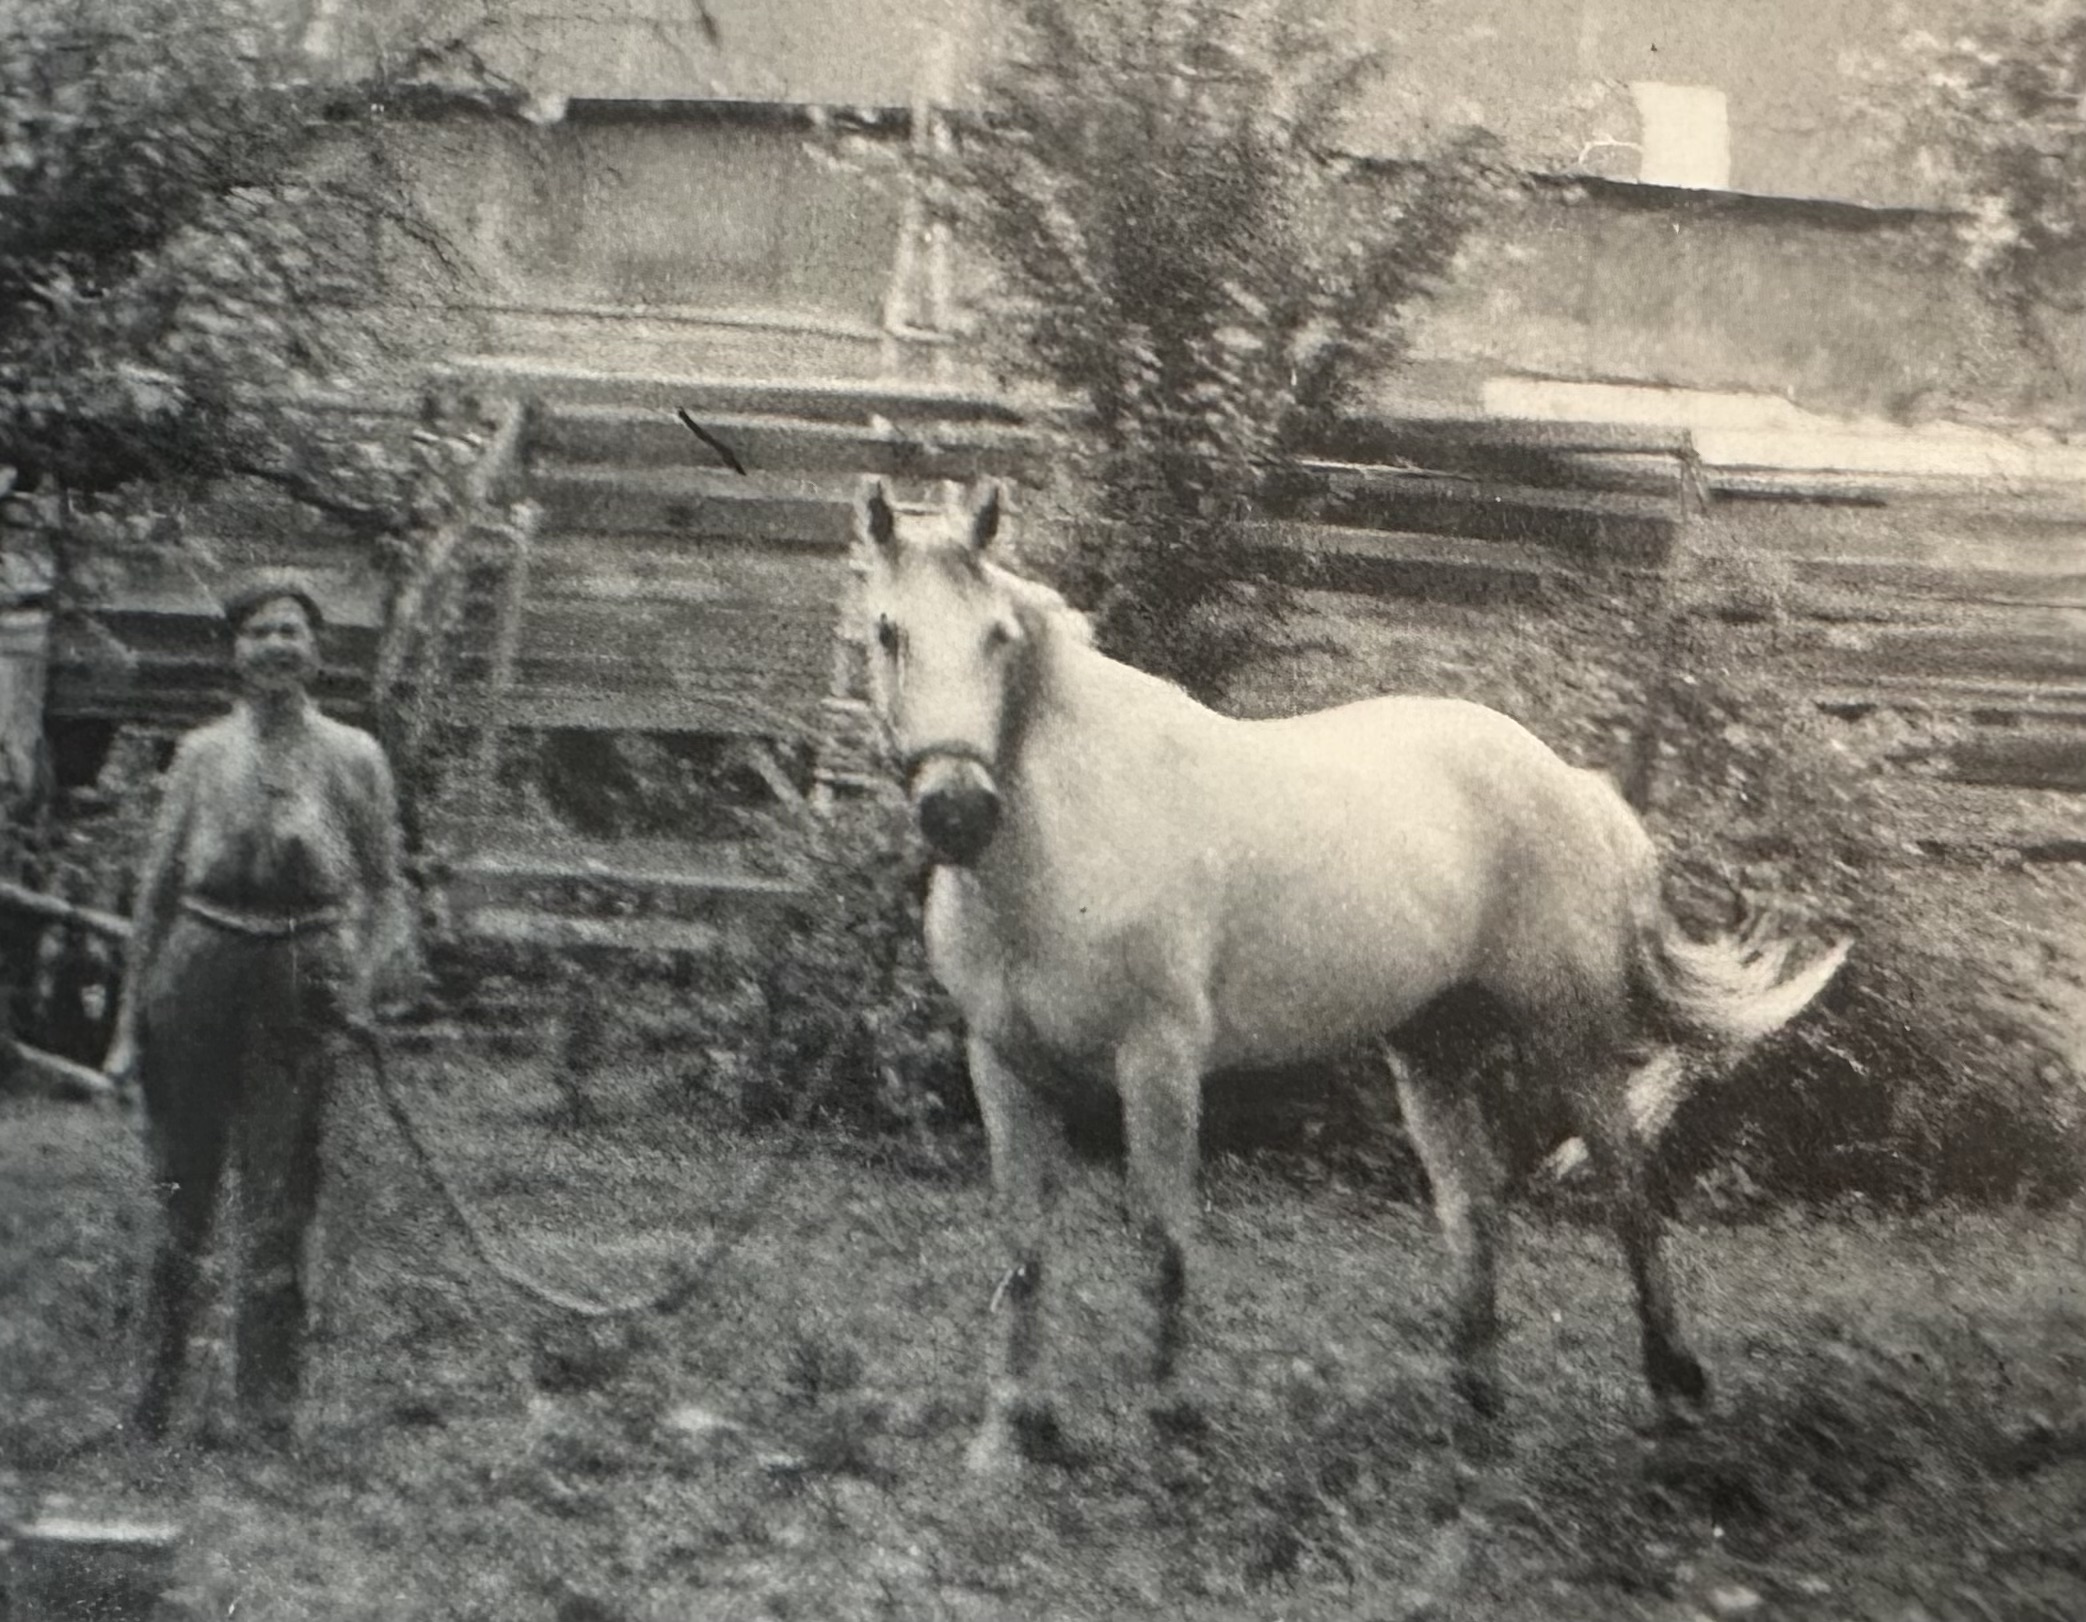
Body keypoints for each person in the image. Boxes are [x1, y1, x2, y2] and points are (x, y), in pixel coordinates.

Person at [103, 569, 416, 1445]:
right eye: (259, 632)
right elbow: (155, 894)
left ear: (317, 651)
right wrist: (127, 1026)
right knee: (178, 1192)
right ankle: (151, 1400)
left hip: (300, 975)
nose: (277, 646)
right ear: (234, 653)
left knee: (280, 1200)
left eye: (292, 631)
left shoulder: (354, 756)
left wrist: (358, 986)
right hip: (198, 967)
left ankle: (265, 1414)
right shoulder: (202, 754)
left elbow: (388, 892)